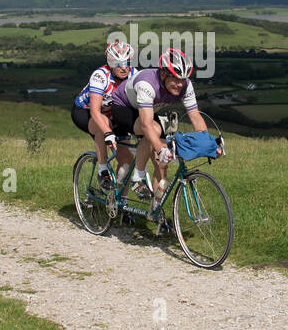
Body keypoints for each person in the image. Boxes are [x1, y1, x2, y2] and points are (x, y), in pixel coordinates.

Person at [110, 47, 220, 217]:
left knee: (162, 163)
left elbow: (195, 117)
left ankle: (155, 211)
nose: (180, 84)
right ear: (163, 74)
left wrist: (210, 144)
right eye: (175, 79)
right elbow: (146, 125)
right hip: (123, 107)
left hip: (146, 109)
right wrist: (160, 149)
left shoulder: (185, 86)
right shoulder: (147, 83)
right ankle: (137, 177)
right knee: (153, 130)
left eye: (183, 79)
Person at [71, 41, 135, 190]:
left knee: (126, 160)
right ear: (111, 63)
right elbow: (95, 111)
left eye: (127, 62)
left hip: (112, 114)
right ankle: (103, 170)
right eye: (118, 63)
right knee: (103, 125)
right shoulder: (100, 76)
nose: (124, 67)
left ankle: (120, 204)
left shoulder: (134, 75)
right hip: (85, 112)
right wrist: (108, 133)